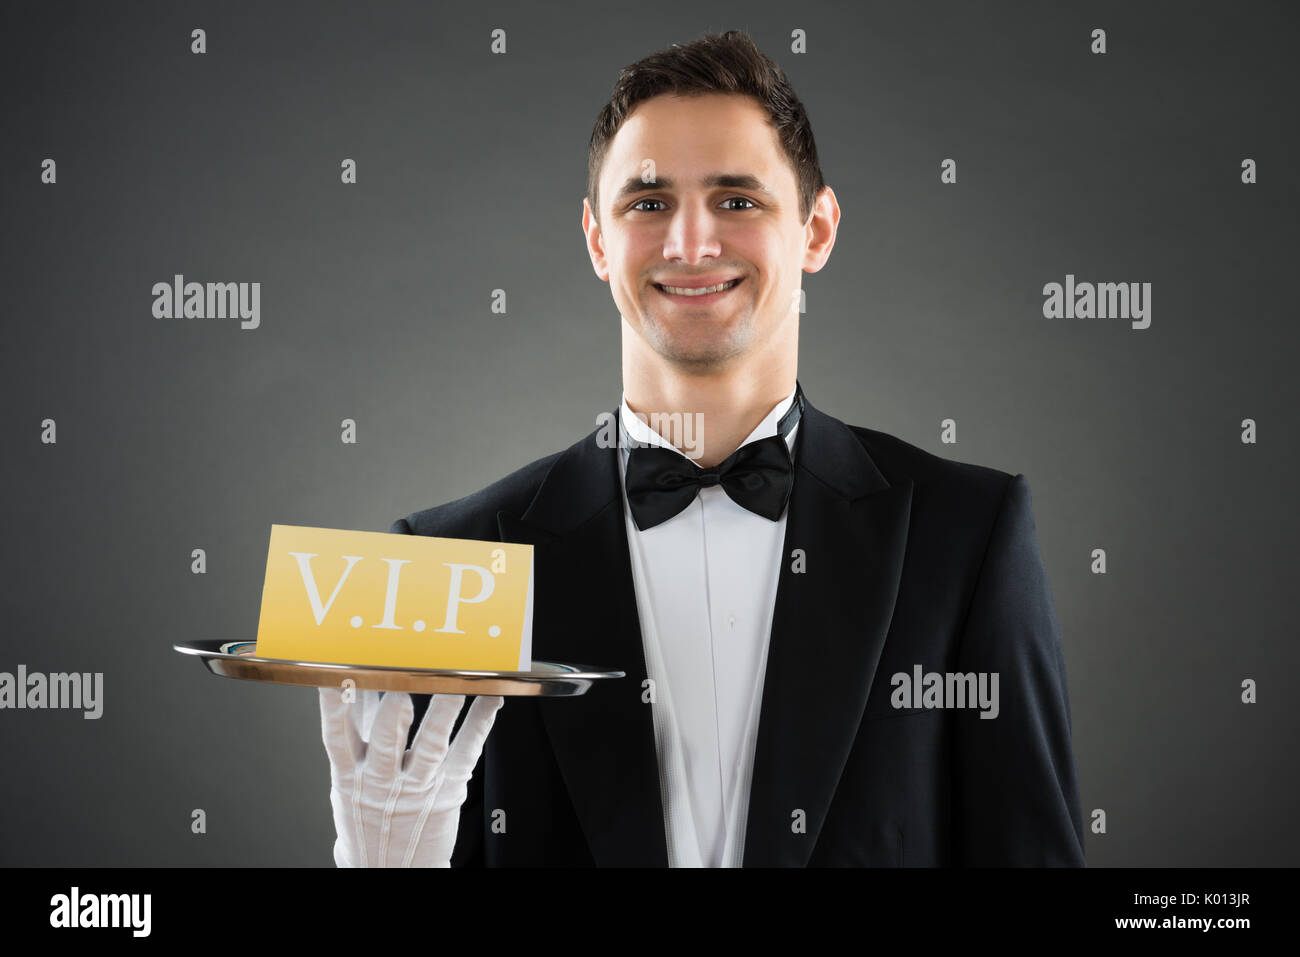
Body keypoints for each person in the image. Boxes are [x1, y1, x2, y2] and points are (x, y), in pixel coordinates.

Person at [319, 29, 1085, 867]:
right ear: (597, 240)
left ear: (817, 229)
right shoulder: (451, 560)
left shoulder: (968, 535)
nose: (690, 243)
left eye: (737, 199)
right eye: (648, 203)